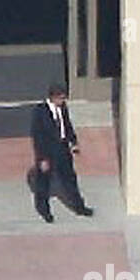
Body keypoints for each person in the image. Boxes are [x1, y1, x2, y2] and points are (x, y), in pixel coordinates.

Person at [29, 83, 93, 222]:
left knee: (70, 179)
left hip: (63, 149)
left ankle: (80, 207)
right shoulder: (40, 111)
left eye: (64, 98)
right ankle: (44, 211)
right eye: (60, 98)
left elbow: (67, 125)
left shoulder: (63, 108)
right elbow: (37, 136)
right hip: (48, 151)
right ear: (53, 97)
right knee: (44, 183)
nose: (62, 101)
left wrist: (73, 142)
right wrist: (42, 159)